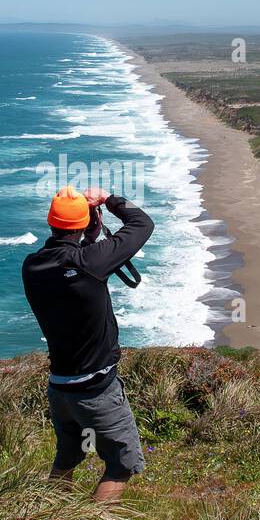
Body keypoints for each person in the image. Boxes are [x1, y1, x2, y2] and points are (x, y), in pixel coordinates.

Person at [21, 185, 154, 502]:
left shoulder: (32, 266)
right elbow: (142, 224)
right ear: (83, 225)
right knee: (122, 465)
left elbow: (66, 259)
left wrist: (87, 232)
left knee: (68, 458)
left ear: (51, 223)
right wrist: (108, 200)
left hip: (60, 390)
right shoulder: (89, 262)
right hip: (96, 390)